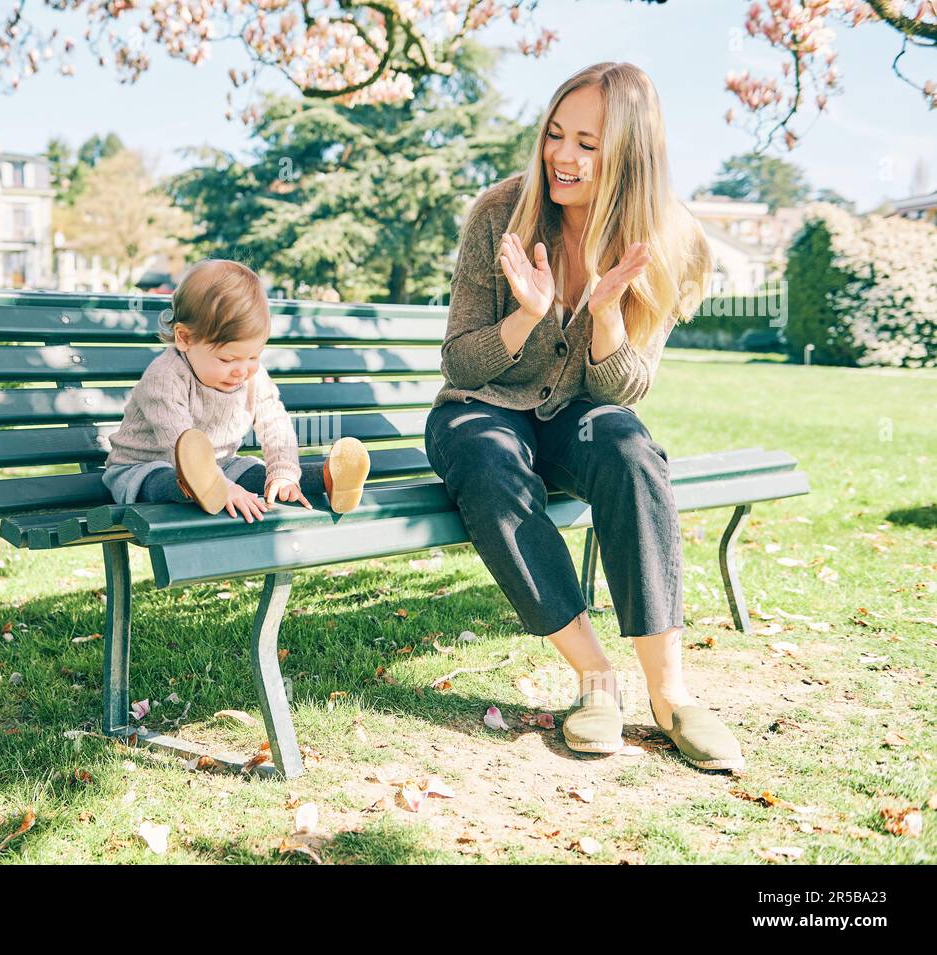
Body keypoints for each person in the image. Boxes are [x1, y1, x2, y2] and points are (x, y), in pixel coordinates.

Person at [425, 62, 744, 771]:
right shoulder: (498, 215)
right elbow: (460, 363)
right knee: (486, 459)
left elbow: (624, 389)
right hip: (482, 411)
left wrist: (605, 315)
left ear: (630, 156)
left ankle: (671, 695)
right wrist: (527, 319)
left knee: (630, 449)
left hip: (579, 415)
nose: (563, 157)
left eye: (588, 145)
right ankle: (596, 681)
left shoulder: (670, 242)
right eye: (556, 135)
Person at [104, 259, 370, 523]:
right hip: (145, 469)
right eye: (227, 360)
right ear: (185, 338)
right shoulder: (165, 377)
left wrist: (283, 471)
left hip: (222, 466)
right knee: (164, 479)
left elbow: (274, 423)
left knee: (257, 473)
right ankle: (206, 488)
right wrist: (222, 487)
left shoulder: (252, 377)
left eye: (253, 356)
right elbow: (178, 446)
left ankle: (328, 478)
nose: (242, 370)